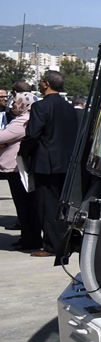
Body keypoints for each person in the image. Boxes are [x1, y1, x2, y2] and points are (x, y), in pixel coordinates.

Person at [19, 71, 78, 258]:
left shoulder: (40, 106)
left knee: (47, 205)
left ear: (46, 84)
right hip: (66, 162)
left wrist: (23, 152)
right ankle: (64, 241)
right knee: (62, 204)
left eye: (41, 80)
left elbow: (33, 135)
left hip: (46, 163)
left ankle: (52, 245)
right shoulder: (69, 107)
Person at [0, 92, 40, 250]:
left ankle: (29, 239)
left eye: (16, 102)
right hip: (14, 167)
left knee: (24, 205)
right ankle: (26, 237)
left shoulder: (24, 119)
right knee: (22, 205)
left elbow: (2, 137)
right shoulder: (24, 118)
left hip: (16, 168)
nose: (12, 105)